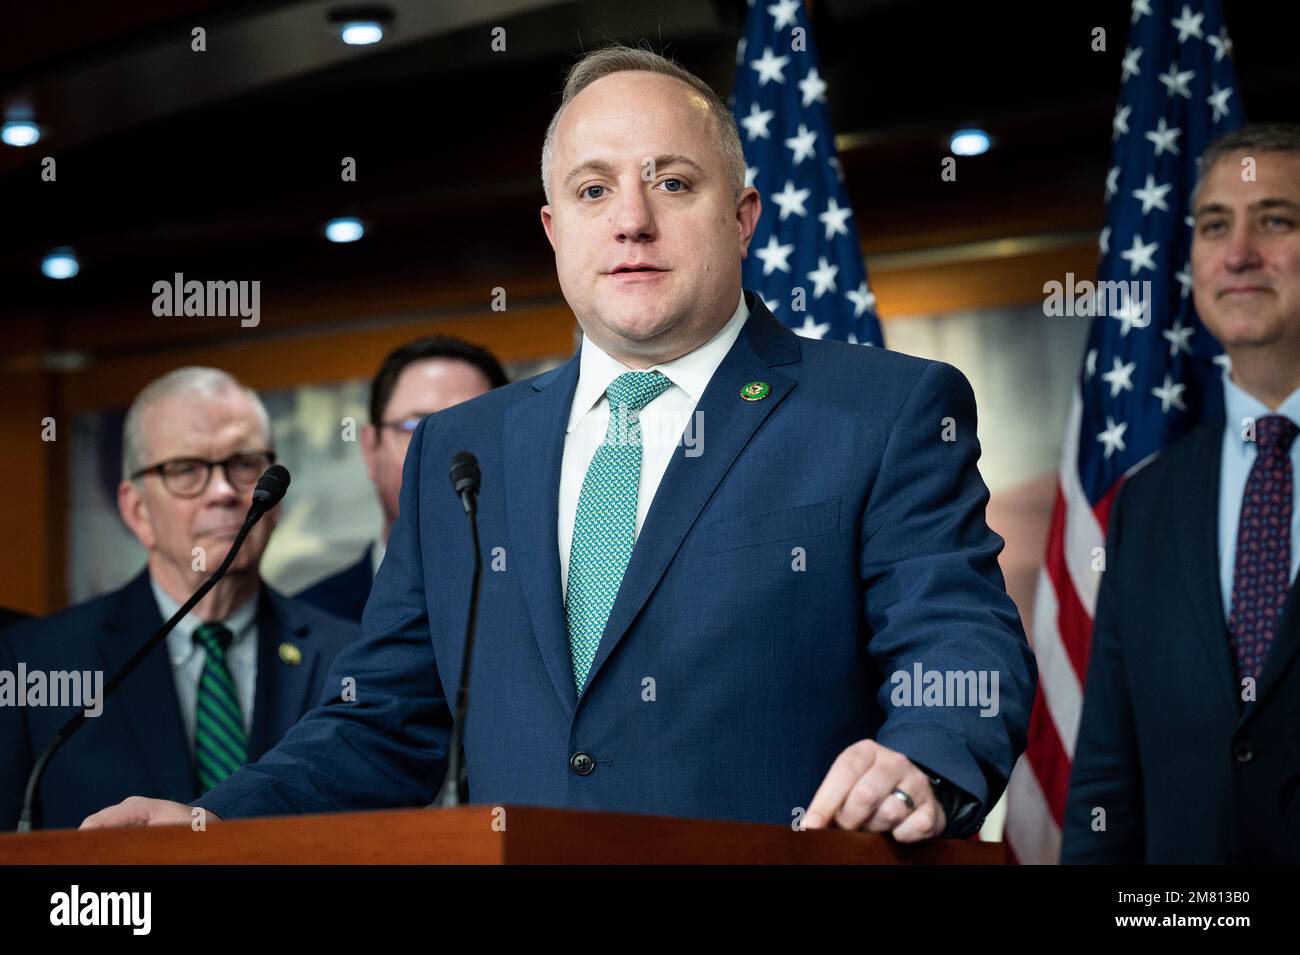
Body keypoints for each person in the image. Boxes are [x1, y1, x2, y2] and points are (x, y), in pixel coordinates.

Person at [83, 46, 1034, 843]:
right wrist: (212, 820)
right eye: (593, 189)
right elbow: (382, 720)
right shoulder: (464, 451)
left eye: (672, 180)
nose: (631, 219)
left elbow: (959, 644)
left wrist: (924, 755)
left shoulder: (883, 410)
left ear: (743, 216)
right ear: (553, 229)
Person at [1063, 124, 1300, 863]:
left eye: (1277, 220)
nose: (1238, 254)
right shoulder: (1146, 504)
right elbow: (1107, 776)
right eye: (1214, 226)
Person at [0, 368, 359, 830]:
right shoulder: (36, 662)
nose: (225, 492)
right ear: (137, 510)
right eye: (186, 470)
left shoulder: (347, 658)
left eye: (245, 464)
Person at [295, 336, 507, 621]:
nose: (445, 451)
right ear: (371, 449)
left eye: (472, 426)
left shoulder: (542, 609)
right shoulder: (310, 618)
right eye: (415, 427)